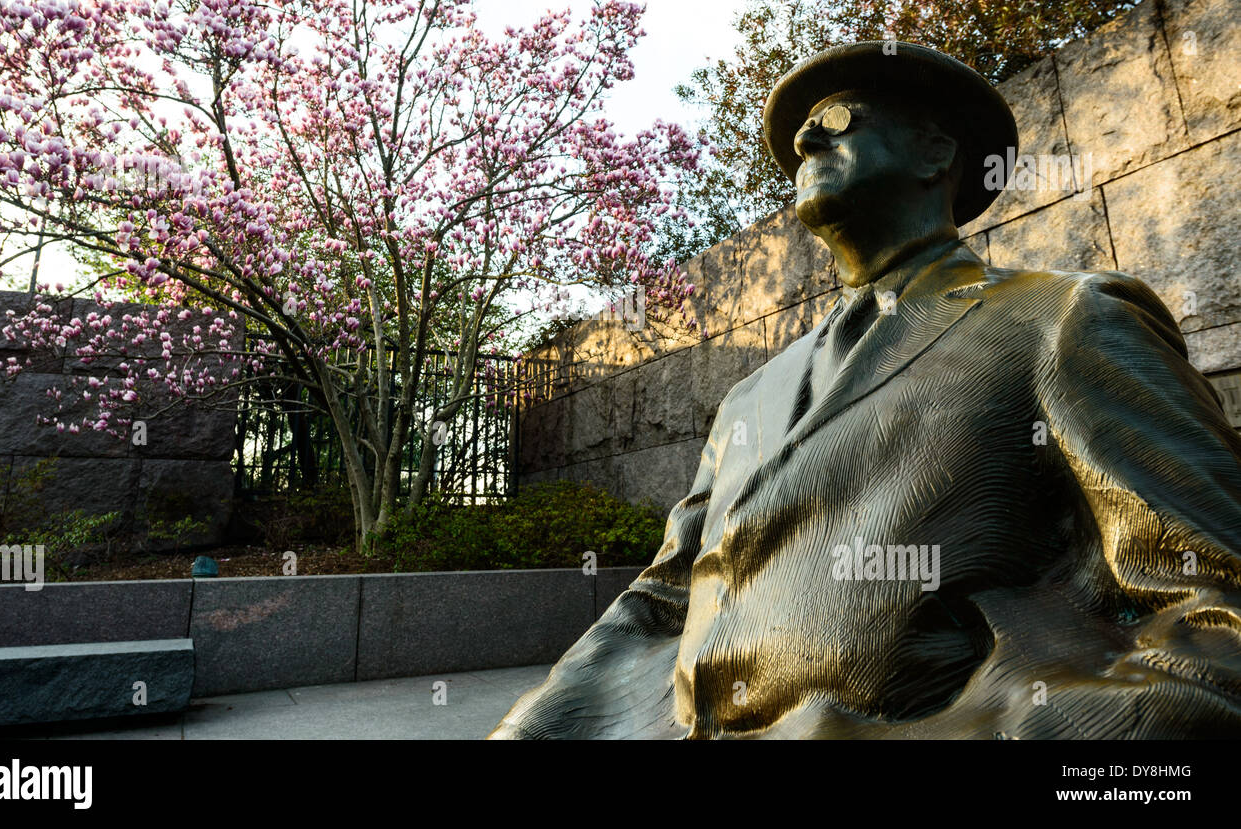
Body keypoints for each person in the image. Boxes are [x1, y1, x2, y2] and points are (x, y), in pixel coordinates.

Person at [489, 41, 1241, 739]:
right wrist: (538, 723)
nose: (807, 144)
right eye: (798, 140)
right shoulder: (751, 396)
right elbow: (663, 598)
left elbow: (1220, 612)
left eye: (839, 120)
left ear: (936, 152)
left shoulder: (1062, 321)